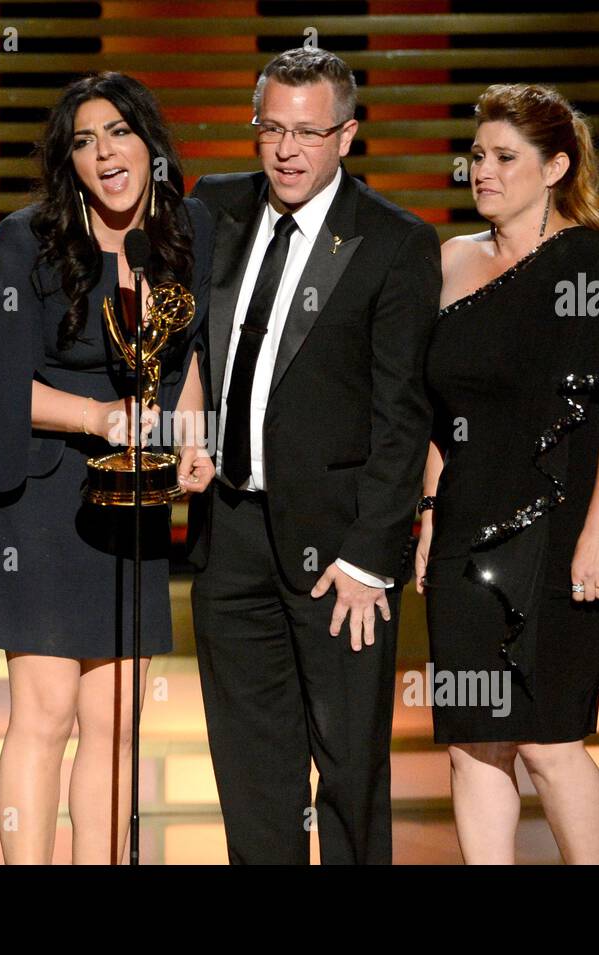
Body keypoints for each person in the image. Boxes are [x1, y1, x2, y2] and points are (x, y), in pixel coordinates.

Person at [0, 72, 215, 864]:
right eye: (84, 141)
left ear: (150, 142)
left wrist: (195, 434)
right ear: (68, 161)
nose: (104, 153)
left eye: (119, 132)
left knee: (118, 719)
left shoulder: (189, 233)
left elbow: (191, 356)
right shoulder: (26, 241)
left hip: (131, 502)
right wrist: (94, 415)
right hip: (39, 494)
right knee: (46, 713)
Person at [186, 47, 441, 864]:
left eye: (309, 131)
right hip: (230, 535)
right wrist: (185, 410)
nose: (288, 150)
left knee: (347, 766)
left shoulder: (394, 242)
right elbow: (183, 332)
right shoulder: (214, 207)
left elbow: (403, 414)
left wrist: (373, 556)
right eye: (272, 129)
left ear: (348, 134)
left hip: (340, 551)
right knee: (251, 771)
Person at [414, 83, 599, 864]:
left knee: (548, 741)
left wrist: (598, 539)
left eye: (503, 158)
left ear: (556, 165)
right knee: (473, 742)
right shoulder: (451, 261)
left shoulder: (594, 261)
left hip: (563, 536)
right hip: (463, 534)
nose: (482, 171)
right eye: (477, 156)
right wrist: (427, 512)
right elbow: (438, 410)